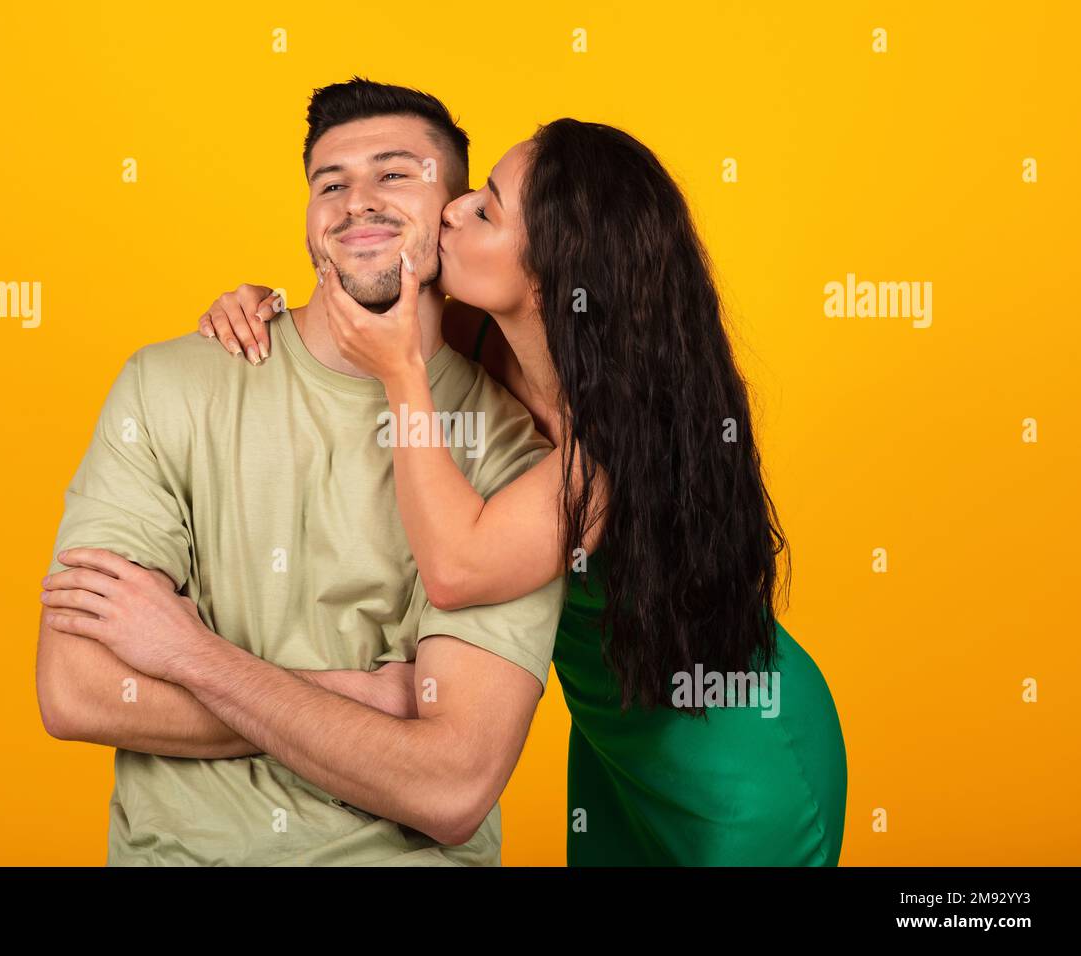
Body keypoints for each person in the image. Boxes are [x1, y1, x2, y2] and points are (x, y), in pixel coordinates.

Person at [200, 117, 849, 865]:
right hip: (617, 746)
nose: (453, 209)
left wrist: (404, 377)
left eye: (487, 211)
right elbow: (353, 298)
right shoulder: (486, 334)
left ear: (548, 277)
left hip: (735, 759)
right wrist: (260, 307)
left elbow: (457, 568)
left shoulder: (614, 446)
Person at [37, 78, 568, 866]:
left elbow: (451, 785)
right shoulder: (169, 384)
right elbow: (76, 688)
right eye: (331, 183)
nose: (358, 201)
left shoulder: (524, 458)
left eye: (395, 175)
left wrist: (186, 653)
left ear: (455, 216)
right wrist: (370, 701)